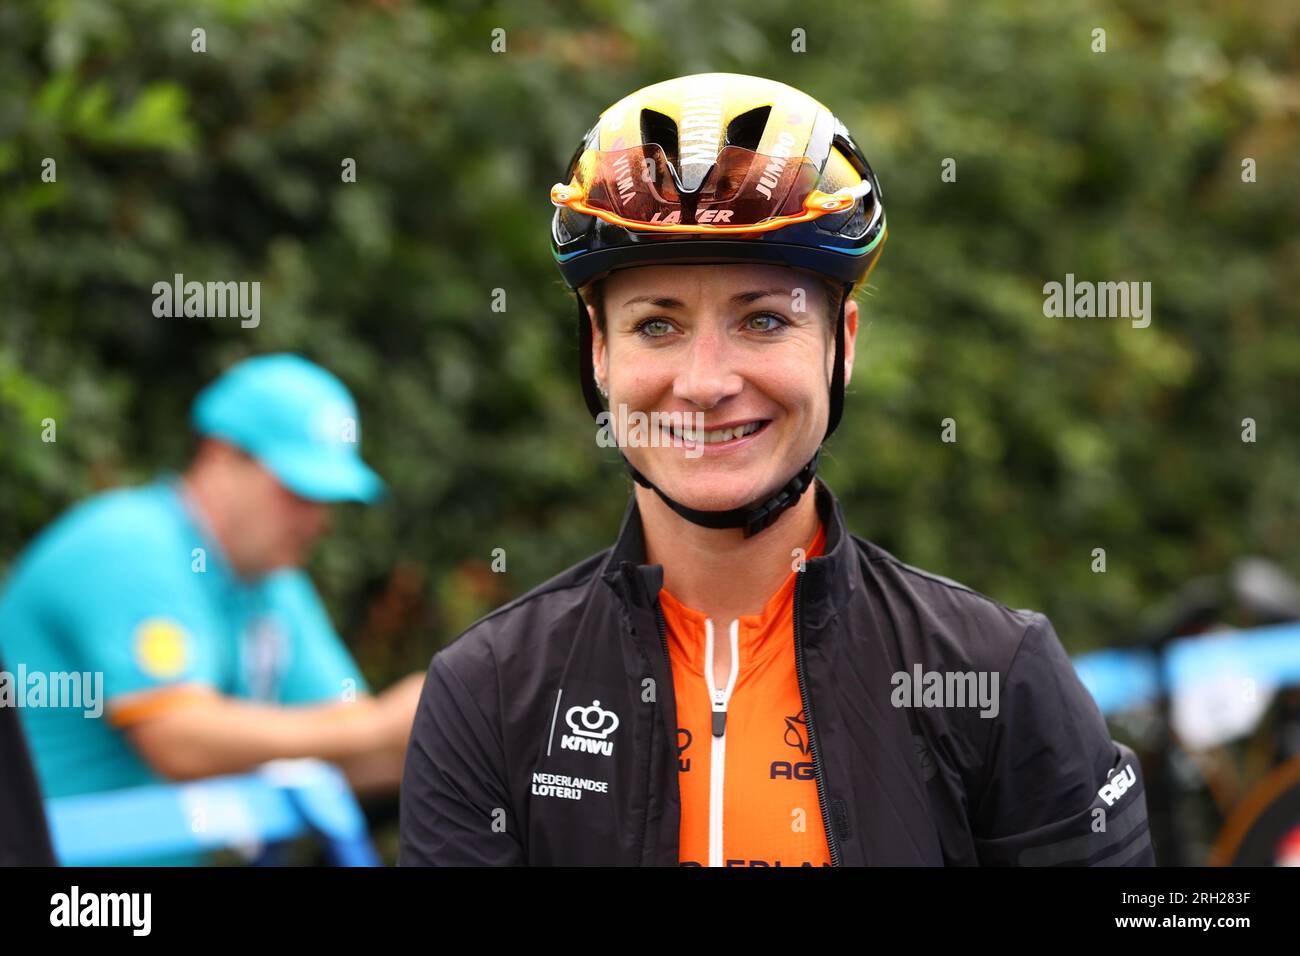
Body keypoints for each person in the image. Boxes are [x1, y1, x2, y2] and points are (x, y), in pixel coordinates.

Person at [399, 73, 1155, 866]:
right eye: (657, 325)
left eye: (762, 320)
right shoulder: (488, 692)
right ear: (599, 351)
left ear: (844, 344)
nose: (705, 381)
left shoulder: (995, 676)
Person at [0, 353, 422, 864]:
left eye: (328, 499)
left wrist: (465, 728)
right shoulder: (130, 545)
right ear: (221, 460)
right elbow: (179, 740)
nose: (319, 520)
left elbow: (355, 746)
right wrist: (382, 725)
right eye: (298, 490)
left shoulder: (270, 581)